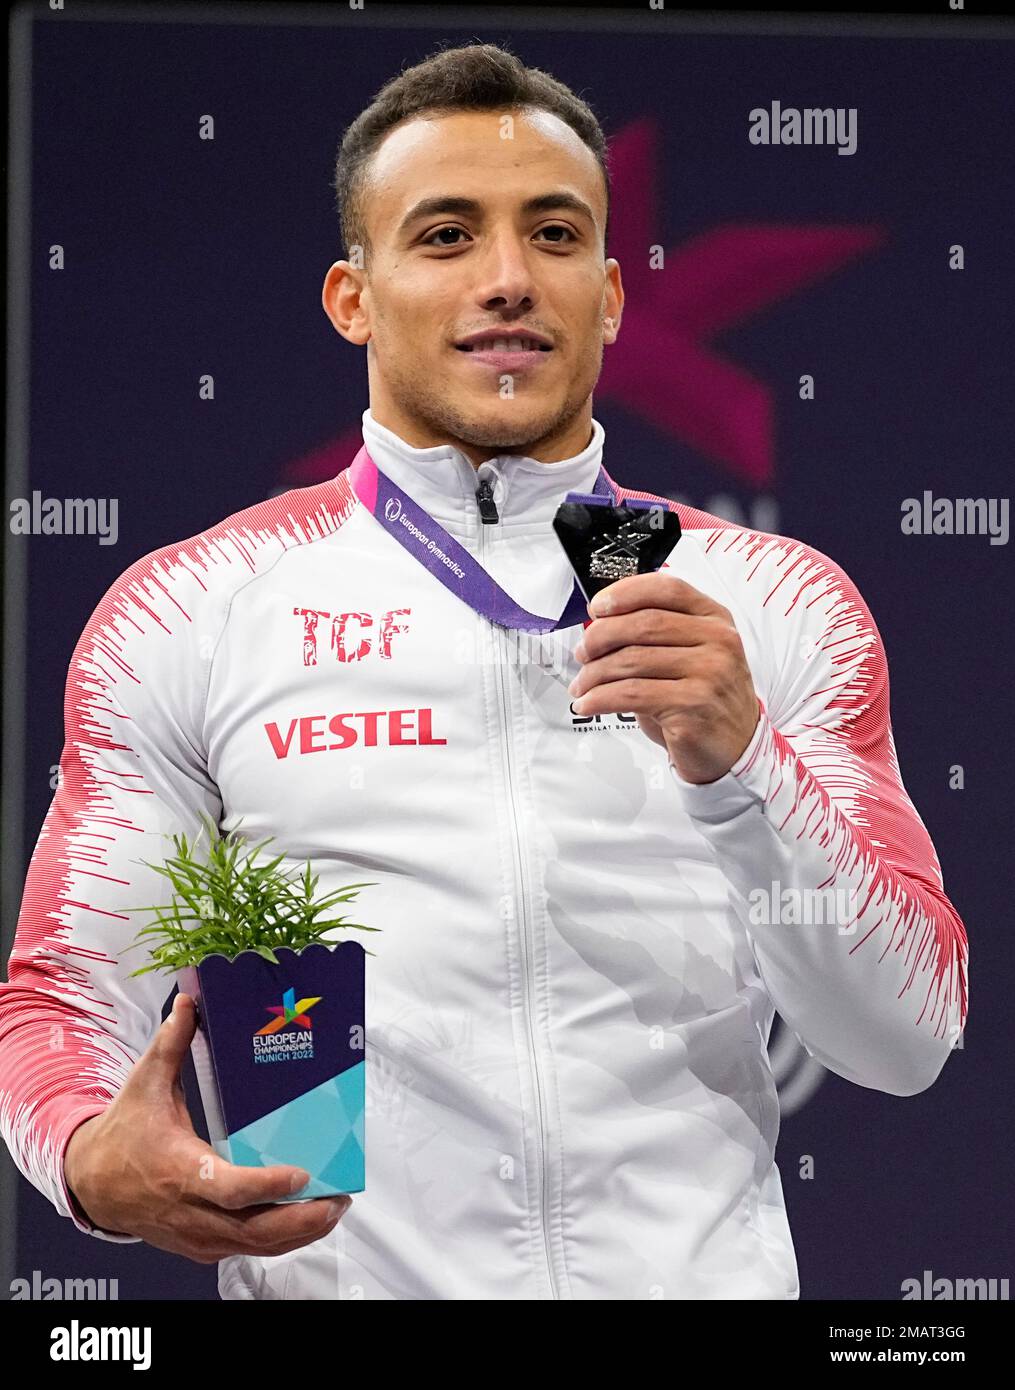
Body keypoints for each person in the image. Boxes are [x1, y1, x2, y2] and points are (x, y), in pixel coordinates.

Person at [0, 42, 968, 1301]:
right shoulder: (189, 611)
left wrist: (746, 772)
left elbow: (906, 1038)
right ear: (353, 296)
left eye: (555, 235)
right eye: (447, 236)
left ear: (612, 294)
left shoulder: (777, 605)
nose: (509, 280)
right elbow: (63, 999)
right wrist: (84, 1156)